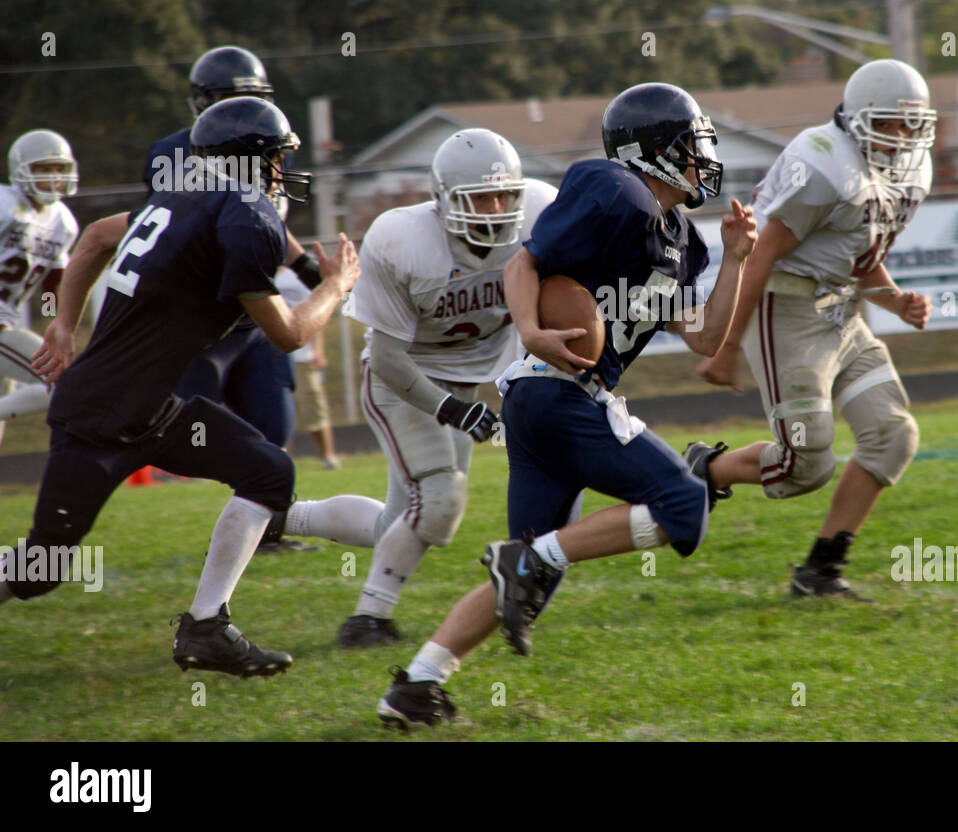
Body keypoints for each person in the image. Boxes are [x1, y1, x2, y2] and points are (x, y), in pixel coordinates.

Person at [373, 82, 757, 729]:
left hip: (556, 403)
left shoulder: (682, 240)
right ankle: (519, 562)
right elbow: (525, 265)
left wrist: (737, 261)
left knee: (530, 578)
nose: (702, 160)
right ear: (652, 150)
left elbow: (705, 334)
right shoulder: (614, 190)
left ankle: (416, 685)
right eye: (692, 146)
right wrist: (527, 327)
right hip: (556, 390)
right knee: (683, 503)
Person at [0, 97, 360, 678]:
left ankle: (206, 628)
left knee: (270, 471)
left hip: (149, 409)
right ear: (249, 161)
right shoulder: (242, 214)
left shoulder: (177, 197)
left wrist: (65, 326)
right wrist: (336, 286)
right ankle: (203, 625)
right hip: (100, 418)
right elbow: (290, 333)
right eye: (273, 159)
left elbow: (94, 236)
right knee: (39, 571)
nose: (279, 172)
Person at [277, 129, 557, 648]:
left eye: (504, 195)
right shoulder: (402, 239)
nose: (495, 209)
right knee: (440, 501)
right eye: (479, 197)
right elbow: (385, 357)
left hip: (465, 387)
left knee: (397, 527)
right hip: (402, 381)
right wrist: (452, 409)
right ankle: (368, 619)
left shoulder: (542, 213)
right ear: (444, 198)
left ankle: (280, 517)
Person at [690, 58, 936, 600]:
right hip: (785, 311)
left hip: (841, 312)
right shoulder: (824, 163)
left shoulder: (907, 172)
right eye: (895, 122)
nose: (906, 136)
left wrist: (894, 301)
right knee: (806, 463)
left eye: (914, 123)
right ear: (861, 118)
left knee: (893, 434)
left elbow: (857, 254)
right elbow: (762, 255)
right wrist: (727, 344)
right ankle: (706, 470)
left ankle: (821, 571)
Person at [147, 48, 319, 464]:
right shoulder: (173, 155)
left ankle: (270, 527)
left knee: (274, 429)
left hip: (255, 310)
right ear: (203, 101)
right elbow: (178, 227)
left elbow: (266, 217)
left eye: (259, 96)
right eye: (228, 99)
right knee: (185, 438)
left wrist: (301, 263)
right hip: (201, 317)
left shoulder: (272, 141)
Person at [0, 131, 80, 442]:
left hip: (8, 321)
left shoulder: (63, 221)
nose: (54, 177)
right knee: (64, 380)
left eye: (59, 169)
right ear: (21, 170)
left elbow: (51, 286)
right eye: (43, 169)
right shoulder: (5, 204)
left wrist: (53, 321)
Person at [273, 265, 341, 469]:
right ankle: (282, 460)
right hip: (272, 354)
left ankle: (328, 456)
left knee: (313, 405)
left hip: (302, 354)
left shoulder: (297, 276)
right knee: (278, 409)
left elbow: (314, 315)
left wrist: (317, 350)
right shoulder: (260, 272)